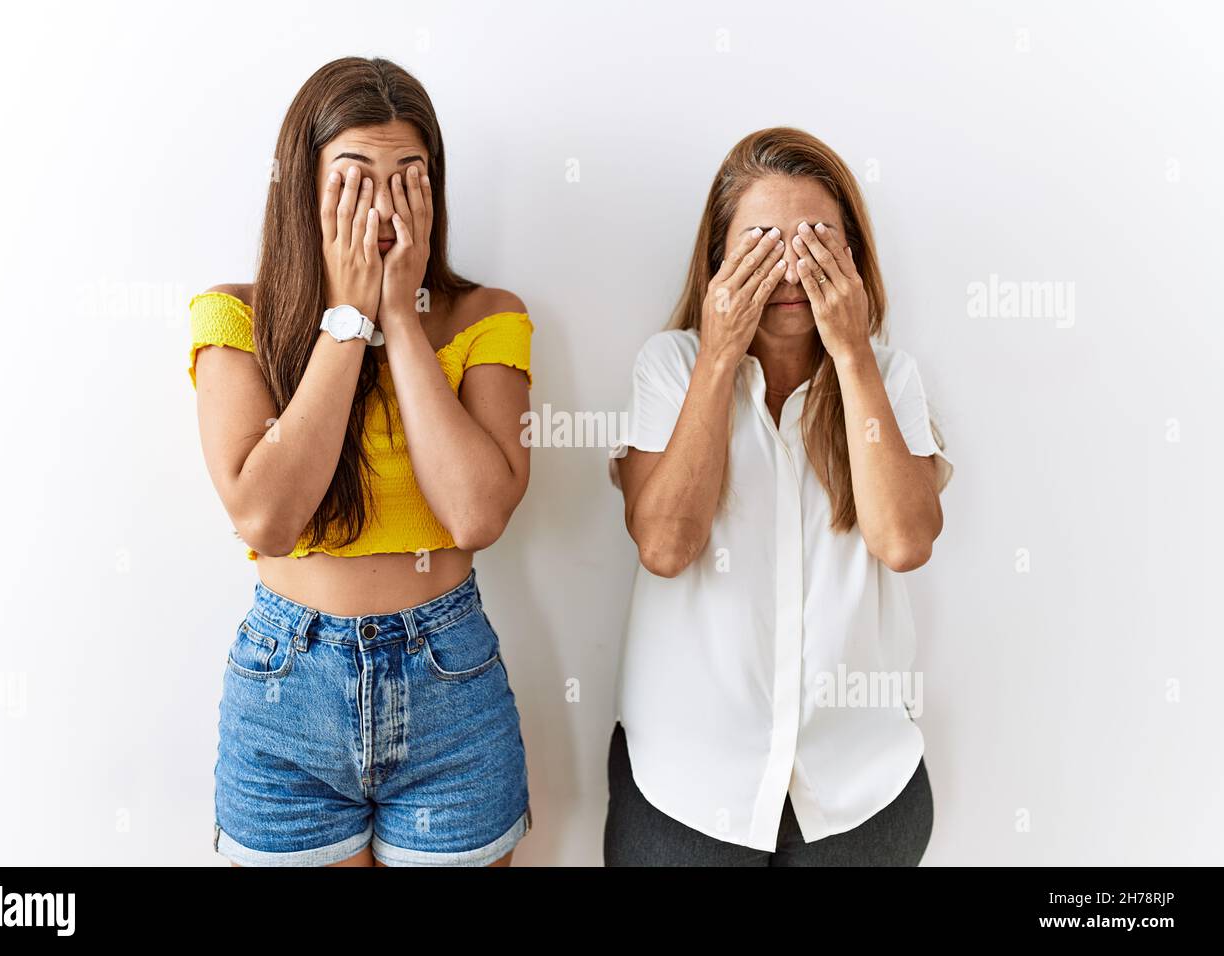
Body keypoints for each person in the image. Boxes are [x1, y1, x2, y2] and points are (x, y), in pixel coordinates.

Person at [189, 57, 533, 867]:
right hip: (285, 690)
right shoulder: (233, 318)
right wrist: (345, 320)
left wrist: (402, 321)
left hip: (449, 681)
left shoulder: (488, 316)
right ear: (302, 191)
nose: (382, 210)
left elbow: (478, 515)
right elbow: (268, 518)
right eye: (352, 182)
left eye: (409, 180)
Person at [604, 127, 953, 866]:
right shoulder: (669, 368)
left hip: (859, 791)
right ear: (718, 262)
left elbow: (905, 542)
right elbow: (666, 546)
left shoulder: (889, 377)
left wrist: (853, 353)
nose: (789, 270)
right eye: (762, 243)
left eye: (816, 242)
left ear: (851, 260)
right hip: (687, 792)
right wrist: (720, 353)